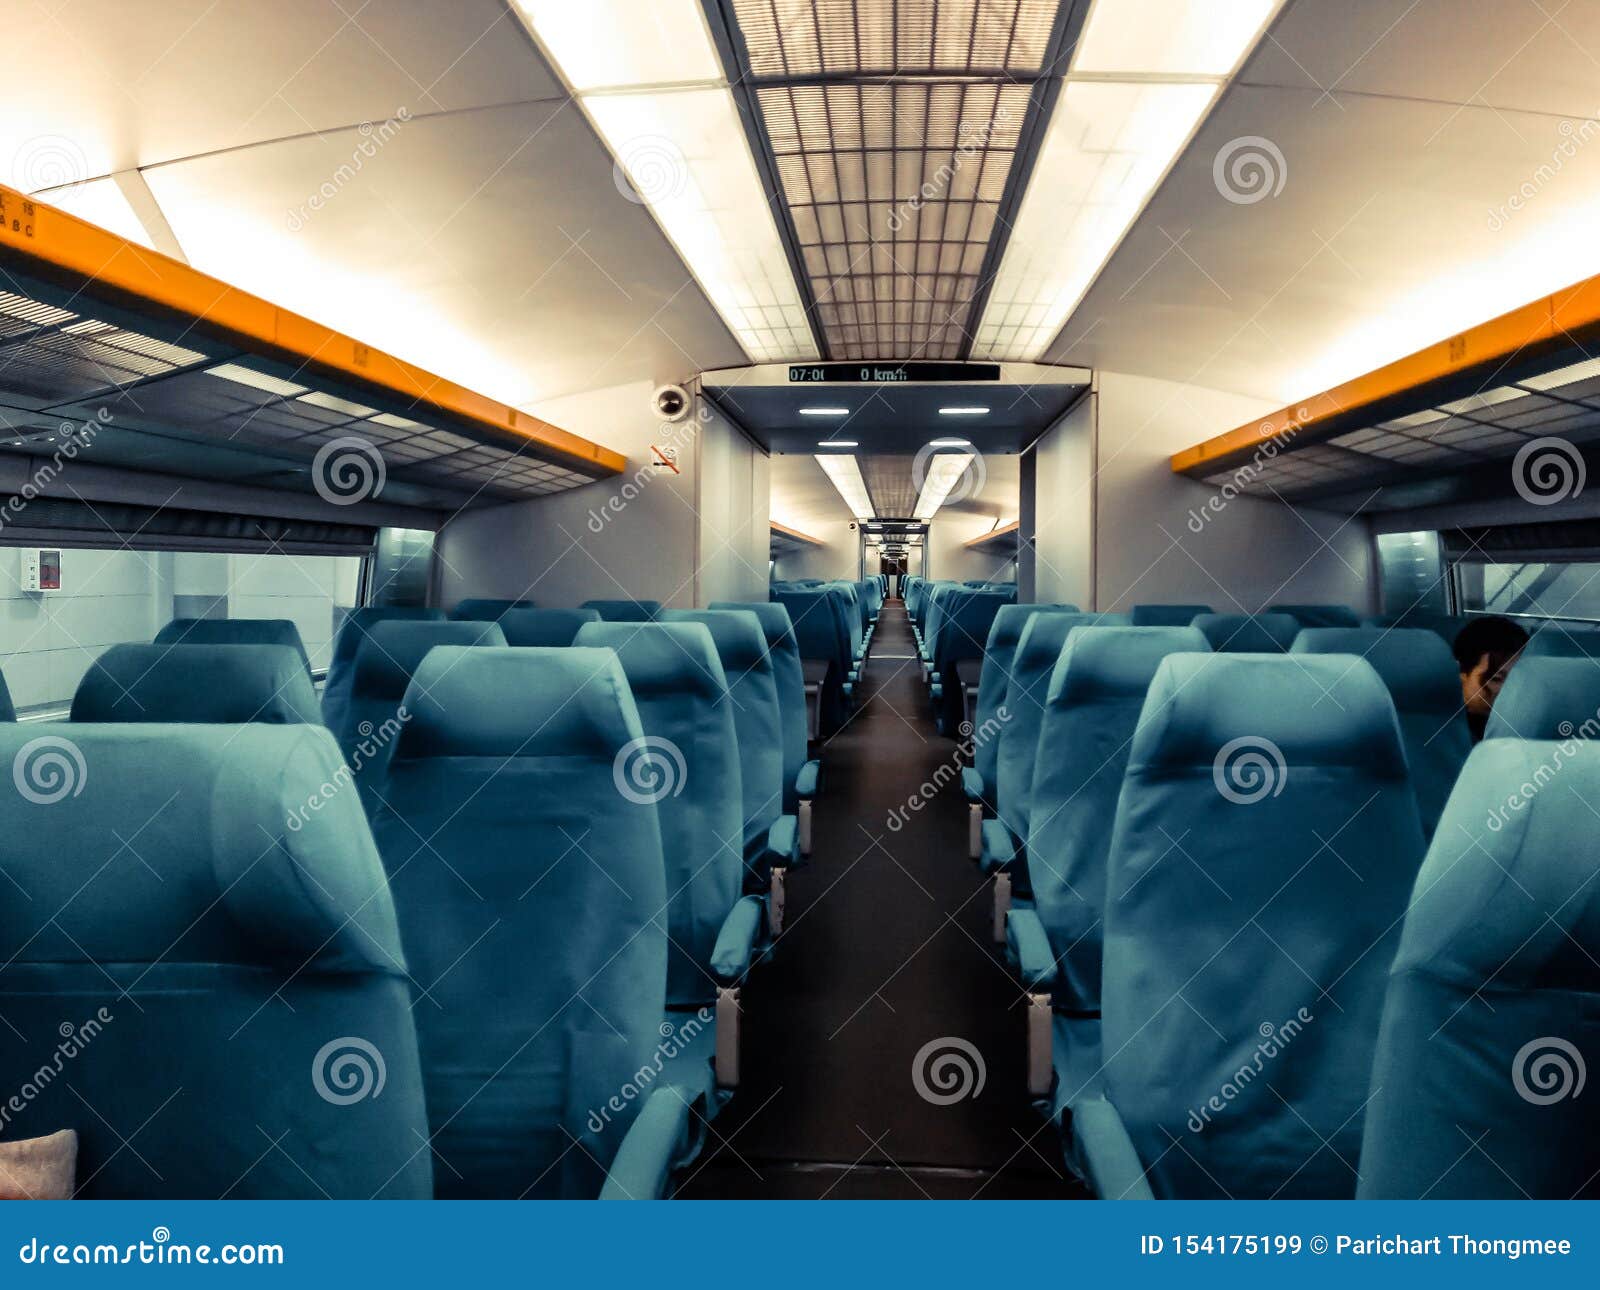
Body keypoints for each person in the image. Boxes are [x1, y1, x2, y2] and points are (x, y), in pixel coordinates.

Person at [1452, 616, 1529, 740]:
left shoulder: (1525, 724)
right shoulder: (1448, 731)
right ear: (1461, 674)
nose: (1510, 689)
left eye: (1516, 678)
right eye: (1496, 679)